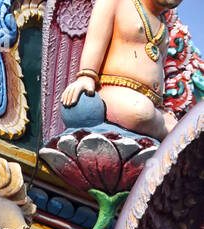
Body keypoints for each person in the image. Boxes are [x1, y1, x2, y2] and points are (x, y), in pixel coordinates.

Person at [60, 0, 183, 139]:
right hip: (114, 89)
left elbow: (159, 66)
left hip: (152, 104)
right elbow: (96, 39)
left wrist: (160, 105)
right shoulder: (118, 2)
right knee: (141, 112)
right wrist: (86, 76)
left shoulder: (163, 27)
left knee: (182, 131)